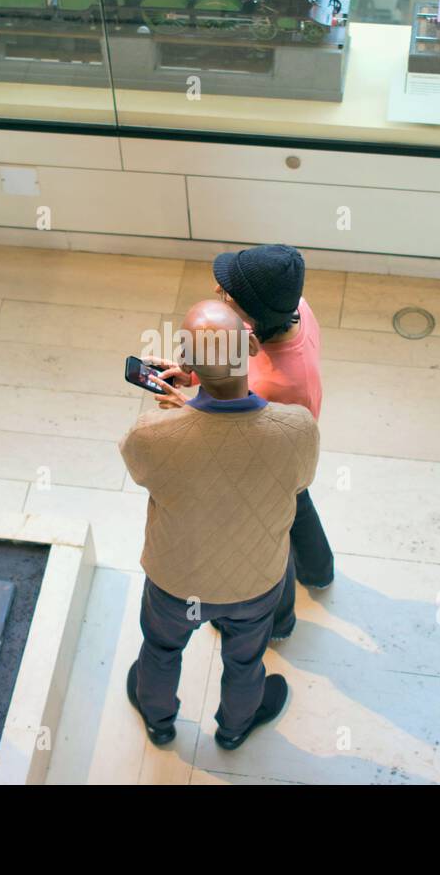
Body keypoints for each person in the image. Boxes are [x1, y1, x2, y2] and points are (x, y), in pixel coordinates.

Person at [120, 300, 320, 750]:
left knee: (160, 650)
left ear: (186, 364)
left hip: (176, 585)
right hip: (255, 585)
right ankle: (232, 731)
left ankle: (159, 721)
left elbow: (143, 470)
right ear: (250, 345)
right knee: (245, 662)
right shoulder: (297, 429)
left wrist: (181, 414)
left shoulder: (151, 434)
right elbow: (301, 481)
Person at [151, 245, 333, 640]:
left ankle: (279, 623)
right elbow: (241, 372)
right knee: (300, 506)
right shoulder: (296, 307)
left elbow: (235, 431)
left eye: (229, 294)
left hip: (269, 465)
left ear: (252, 319)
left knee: (273, 540)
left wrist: (186, 405)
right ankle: (320, 571)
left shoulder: (275, 383)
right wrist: (196, 374)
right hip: (295, 455)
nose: (219, 287)